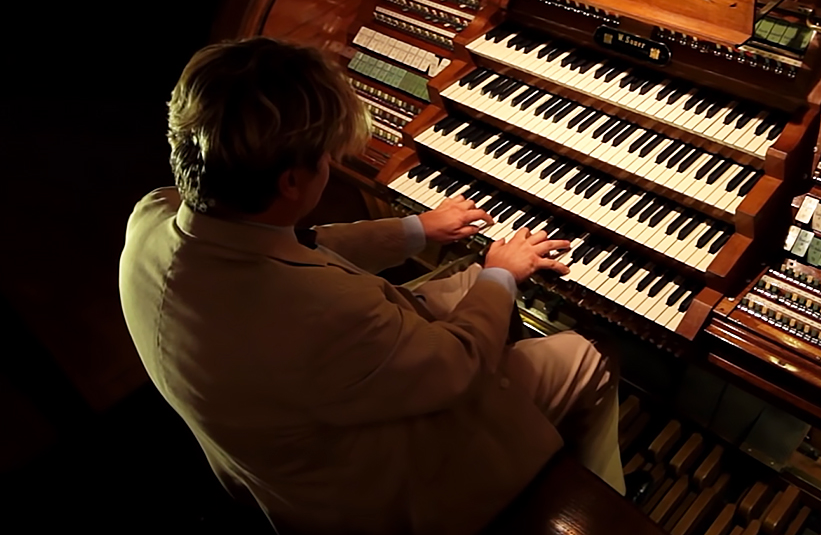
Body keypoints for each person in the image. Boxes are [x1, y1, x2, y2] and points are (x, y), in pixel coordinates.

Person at [118, 37, 624, 535]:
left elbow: (298, 242)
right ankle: (598, 509)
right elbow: (459, 363)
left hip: (290, 445)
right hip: (387, 492)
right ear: (290, 181)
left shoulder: (154, 217)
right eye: (326, 156)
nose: (330, 163)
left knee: (472, 280)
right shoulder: (321, 311)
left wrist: (417, 229)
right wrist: (502, 273)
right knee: (588, 356)